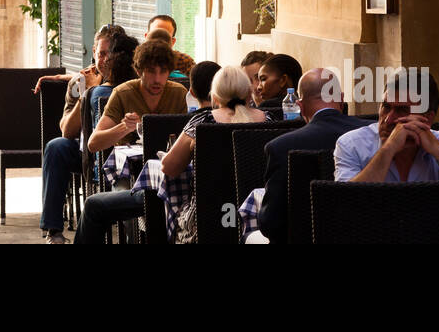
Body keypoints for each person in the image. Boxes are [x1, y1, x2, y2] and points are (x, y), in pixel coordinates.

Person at [73, 41, 189, 244]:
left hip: (171, 178)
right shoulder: (123, 93)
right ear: (138, 70)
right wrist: (123, 127)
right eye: (151, 71)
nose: (157, 79)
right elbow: (93, 144)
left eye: (163, 72)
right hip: (132, 180)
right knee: (101, 207)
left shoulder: (178, 93)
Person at [335, 69, 439, 213]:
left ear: (427, 118)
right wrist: (388, 149)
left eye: (402, 110)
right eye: (386, 106)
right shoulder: (351, 144)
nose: (388, 119)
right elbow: (346, 207)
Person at [36, 24, 126, 244]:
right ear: (93, 53)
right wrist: (86, 94)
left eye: (110, 54)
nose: (104, 60)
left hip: (120, 148)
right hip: (85, 151)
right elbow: (67, 129)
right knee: (56, 146)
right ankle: (54, 231)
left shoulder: (128, 80)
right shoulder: (81, 82)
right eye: (100, 54)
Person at [160, 65, 271, 243]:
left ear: (215, 95)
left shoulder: (202, 121)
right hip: (258, 215)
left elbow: (169, 167)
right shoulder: (268, 120)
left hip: (207, 217)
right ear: (248, 92)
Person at [257, 68, 365, 244]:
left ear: (300, 106)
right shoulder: (372, 134)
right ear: (342, 98)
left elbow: (271, 223)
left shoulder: (280, 147)